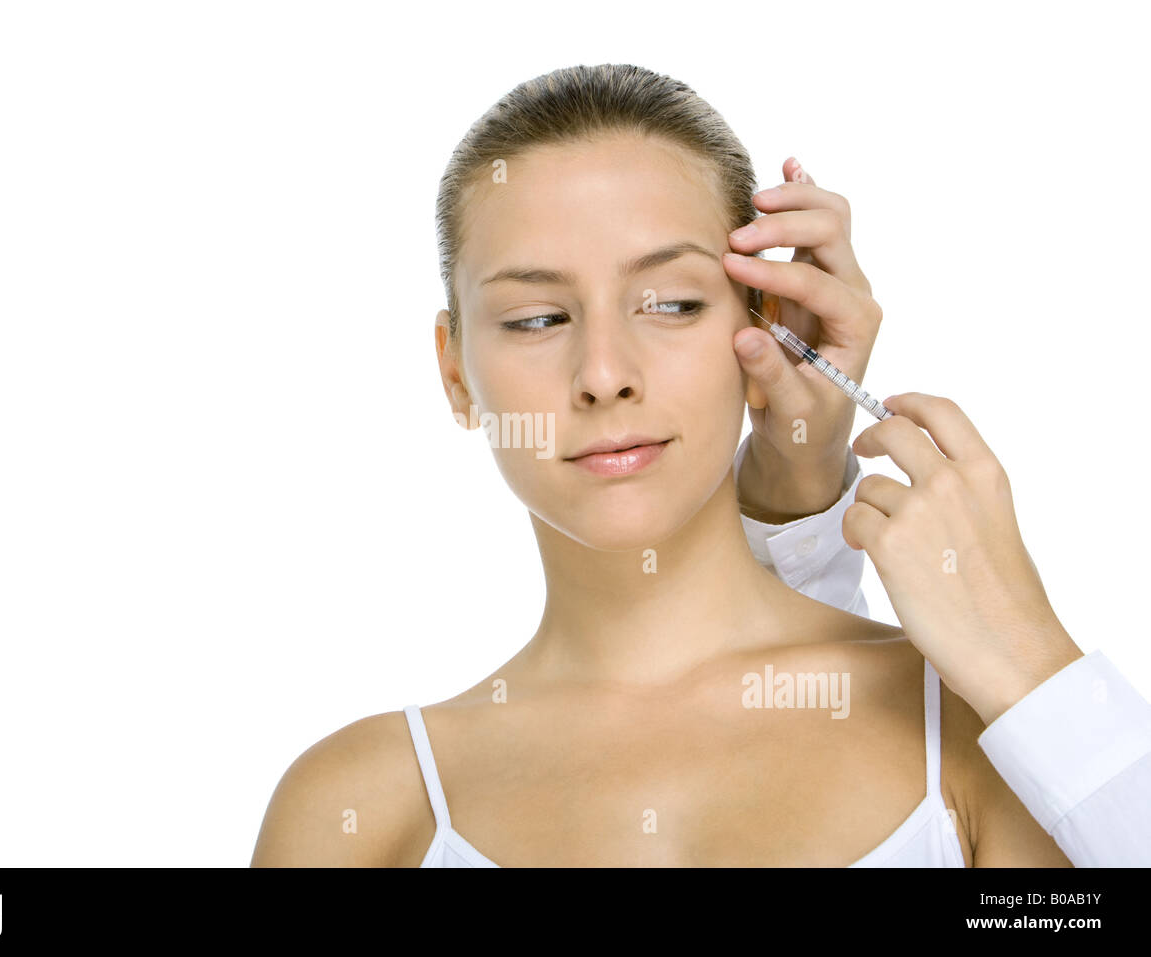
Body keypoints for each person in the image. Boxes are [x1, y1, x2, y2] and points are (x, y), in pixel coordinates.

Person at [252, 64, 1151, 867]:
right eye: (536, 319)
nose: (604, 375)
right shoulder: (364, 809)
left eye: (674, 303)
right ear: (455, 372)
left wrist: (1036, 668)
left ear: (762, 321)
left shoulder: (974, 738)